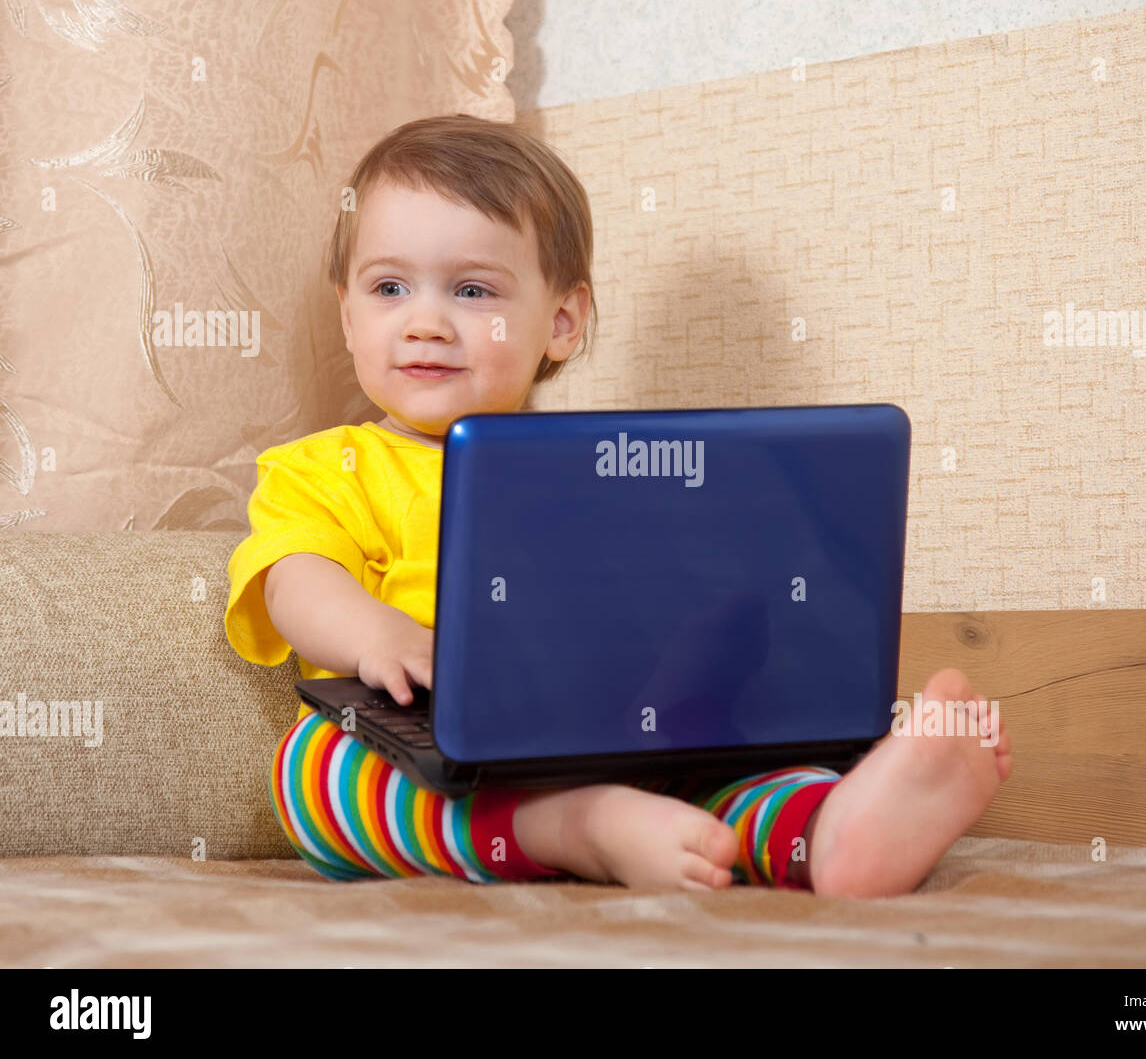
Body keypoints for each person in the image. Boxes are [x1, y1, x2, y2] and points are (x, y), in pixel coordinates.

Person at [224, 115, 1012, 896]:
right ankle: (578, 828)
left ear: (561, 322)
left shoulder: (607, 466)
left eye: (471, 291)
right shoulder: (327, 467)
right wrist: (377, 634)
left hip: (623, 727)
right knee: (313, 769)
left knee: (731, 757)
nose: (425, 323)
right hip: (425, 736)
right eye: (390, 288)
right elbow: (295, 577)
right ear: (347, 313)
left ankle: (830, 833)